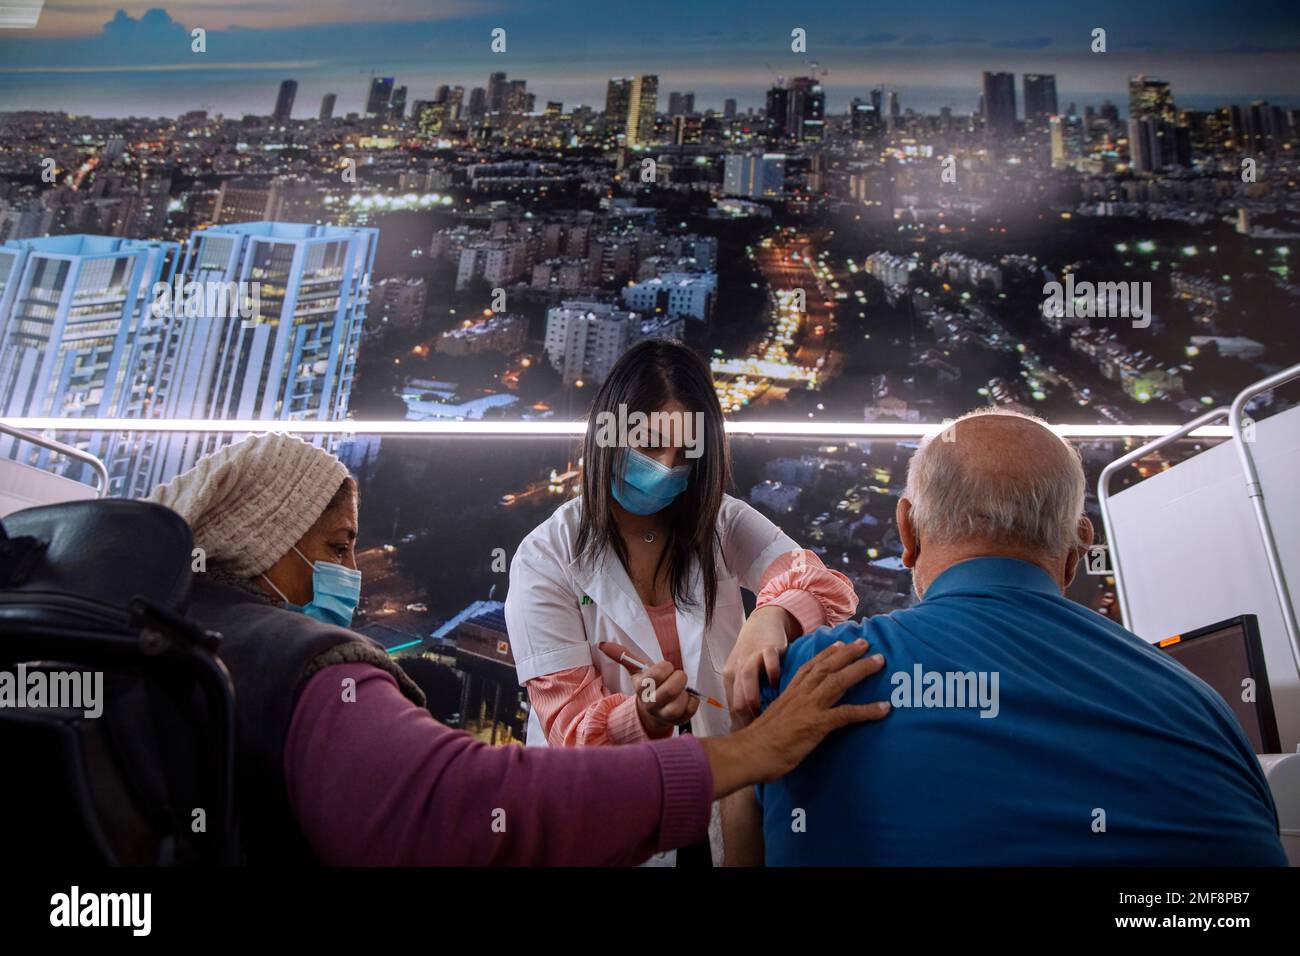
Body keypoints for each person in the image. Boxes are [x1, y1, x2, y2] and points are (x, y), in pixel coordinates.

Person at [147, 431, 891, 865]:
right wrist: (754, 754)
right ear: (261, 536)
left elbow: (817, 582)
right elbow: (489, 799)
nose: (350, 572)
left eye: (681, 453)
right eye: (338, 547)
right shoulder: (311, 675)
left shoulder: (158, 631)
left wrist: (775, 616)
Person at [724, 409, 1288, 866]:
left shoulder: (807, 677)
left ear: (907, 530)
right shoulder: (1201, 711)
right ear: (1078, 547)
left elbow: (744, 838)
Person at [505, 340, 858, 864]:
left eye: (684, 455)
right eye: (649, 447)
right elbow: (569, 731)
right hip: (604, 823)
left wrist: (773, 614)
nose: (667, 470)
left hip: (715, 812)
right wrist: (642, 717)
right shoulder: (545, 559)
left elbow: (827, 589)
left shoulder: (722, 522)